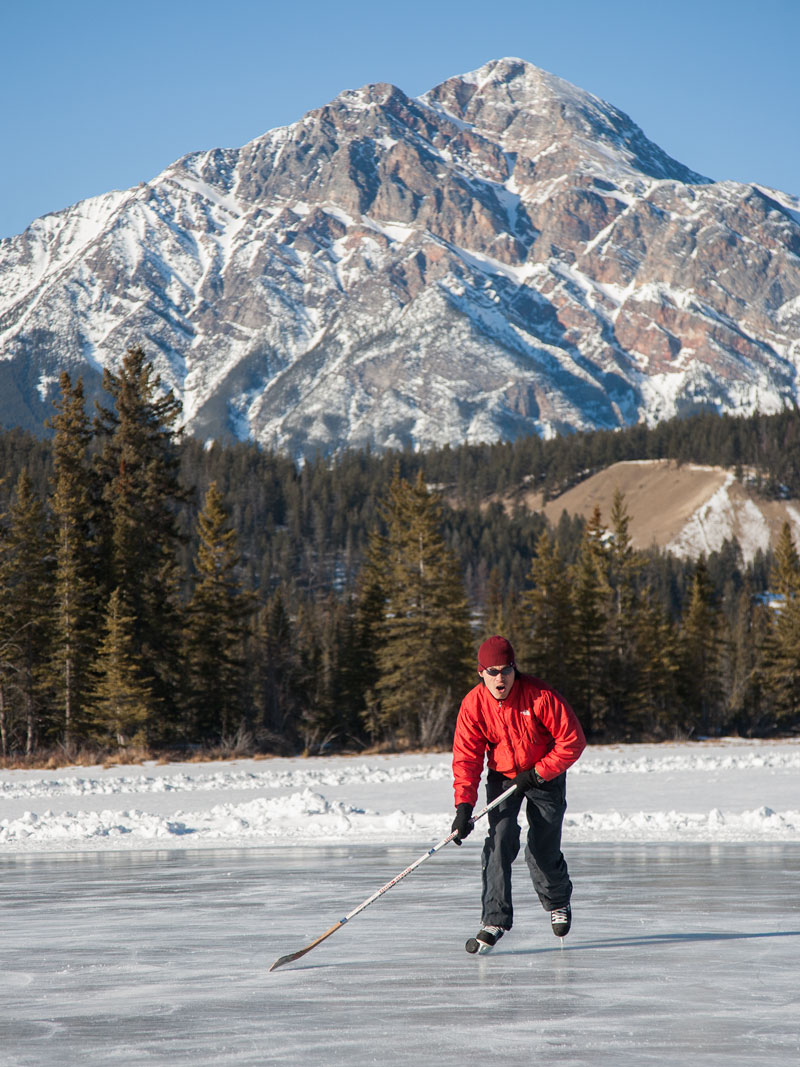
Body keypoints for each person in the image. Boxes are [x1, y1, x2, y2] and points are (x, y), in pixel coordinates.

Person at [451, 635, 586, 955]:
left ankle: (557, 900)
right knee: (499, 840)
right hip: (504, 778)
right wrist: (463, 806)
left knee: (542, 847)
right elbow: (466, 758)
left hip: (545, 774)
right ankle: (494, 919)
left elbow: (572, 742)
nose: (501, 678)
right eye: (493, 671)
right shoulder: (474, 704)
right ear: (480, 673)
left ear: (516, 670)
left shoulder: (540, 695)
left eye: (507, 670)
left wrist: (538, 773)